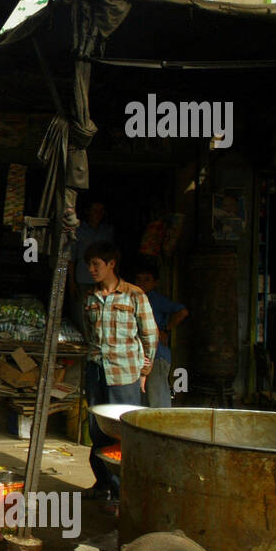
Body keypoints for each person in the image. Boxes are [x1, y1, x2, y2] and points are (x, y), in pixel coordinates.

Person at [83, 240, 157, 503]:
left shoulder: (134, 295)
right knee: (97, 429)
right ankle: (102, 483)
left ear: (111, 264)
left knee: (121, 432)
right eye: (89, 264)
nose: (91, 269)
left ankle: (121, 492)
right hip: (96, 371)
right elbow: (89, 333)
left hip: (125, 374)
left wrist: (144, 371)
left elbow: (150, 335)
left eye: (96, 264)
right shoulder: (89, 296)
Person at [134, 258, 188, 408]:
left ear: (155, 283)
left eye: (147, 280)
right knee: (144, 402)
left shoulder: (155, 299)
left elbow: (182, 311)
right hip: (141, 357)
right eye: (138, 279)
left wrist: (166, 330)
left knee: (157, 401)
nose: (142, 283)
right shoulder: (134, 298)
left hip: (157, 356)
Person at [68, 199, 114, 336]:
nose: (98, 214)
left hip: (103, 281)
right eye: (95, 211)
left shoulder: (107, 231)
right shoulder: (78, 231)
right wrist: (71, 282)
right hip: (83, 278)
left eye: (101, 211)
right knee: (82, 313)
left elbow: (112, 256)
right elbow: (70, 258)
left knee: (102, 313)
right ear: (88, 212)